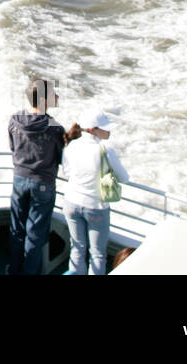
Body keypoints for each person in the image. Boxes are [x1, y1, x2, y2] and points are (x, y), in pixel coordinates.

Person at [7, 78, 66, 274]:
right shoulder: (55, 129)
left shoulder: (14, 120)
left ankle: (14, 270)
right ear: (43, 100)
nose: (57, 96)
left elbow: (13, 147)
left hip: (19, 180)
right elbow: (60, 158)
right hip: (42, 185)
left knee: (17, 230)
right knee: (34, 236)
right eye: (53, 94)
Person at [61, 110, 130, 275]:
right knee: (97, 254)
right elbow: (124, 178)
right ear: (92, 129)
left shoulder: (71, 146)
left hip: (71, 202)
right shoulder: (105, 150)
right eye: (105, 128)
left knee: (77, 248)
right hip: (96, 207)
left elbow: (67, 172)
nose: (108, 131)